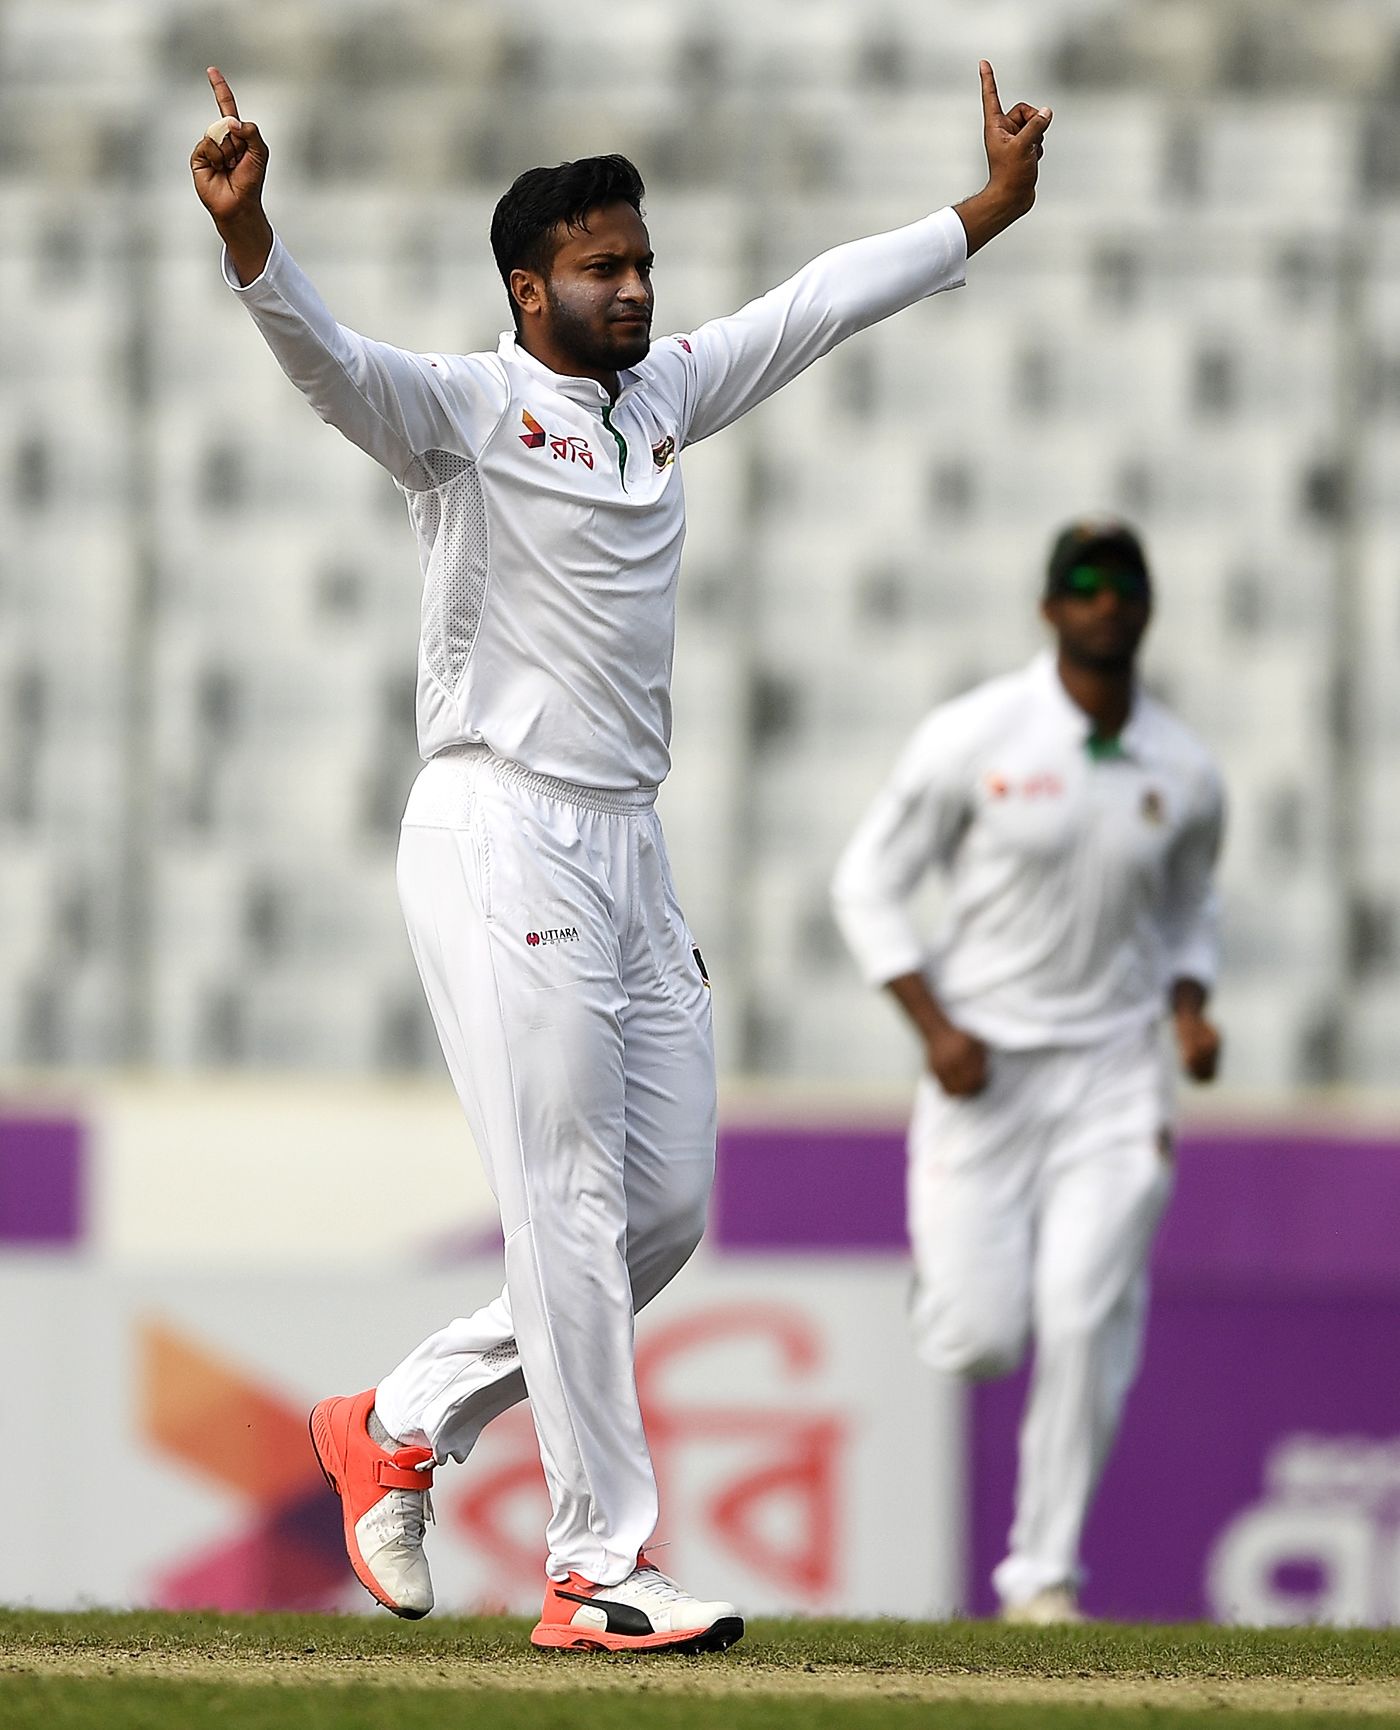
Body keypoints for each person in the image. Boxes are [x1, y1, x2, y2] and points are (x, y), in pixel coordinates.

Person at [189, 60, 1052, 1652]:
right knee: (572, 1203)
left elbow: (817, 303)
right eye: (604, 268)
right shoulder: (465, 412)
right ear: (531, 289)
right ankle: (596, 1563)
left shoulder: (662, 399)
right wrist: (254, 243)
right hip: (500, 824)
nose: (638, 287)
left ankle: (398, 1416)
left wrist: (983, 213)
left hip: (630, 847)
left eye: (644, 261)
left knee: (659, 1209)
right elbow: (333, 368)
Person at [831, 519, 1225, 1625]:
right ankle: (949, 1283)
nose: (1105, 601)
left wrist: (1190, 1010)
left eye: (1123, 584)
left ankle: (1041, 1577)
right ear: (1050, 606)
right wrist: (933, 1027)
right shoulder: (976, 734)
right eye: (1083, 584)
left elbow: (1190, 910)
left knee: (1084, 1313)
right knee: (979, 1337)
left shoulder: (1186, 769)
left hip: (1115, 1077)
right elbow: (866, 882)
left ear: (1146, 607)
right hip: (984, 1069)